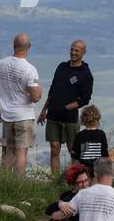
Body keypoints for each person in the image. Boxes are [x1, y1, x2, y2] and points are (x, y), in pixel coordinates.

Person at [37, 39, 94, 176]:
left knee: (72, 150)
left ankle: (74, 178)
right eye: (72, 49)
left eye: (77, 50)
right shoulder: (61, 67)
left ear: (83, 53)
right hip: (53, 115)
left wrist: (71, 106)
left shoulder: (85, 73)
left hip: (70, 118)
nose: (73, 52)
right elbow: (52, 90)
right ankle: (55, 179)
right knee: (54, 148)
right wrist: (44, 110)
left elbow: (85, 99)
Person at [0, 33, 42, 175]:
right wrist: (40, 89)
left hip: (7, 115)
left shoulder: (0, 64)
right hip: (24, 115)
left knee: (8, 150)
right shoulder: (30, 69)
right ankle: (19, 182)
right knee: (21, 152)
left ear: (13, 46)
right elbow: (35, 97)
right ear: (29, 47)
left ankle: (6, 180)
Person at [71, 105, 109, 172]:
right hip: (98, 168)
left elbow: (75, 155)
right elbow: (104, 154)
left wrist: (74, 170)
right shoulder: (101, 134)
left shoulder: (80, 135)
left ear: (83, 119)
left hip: (84, 168)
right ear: (97, 118)